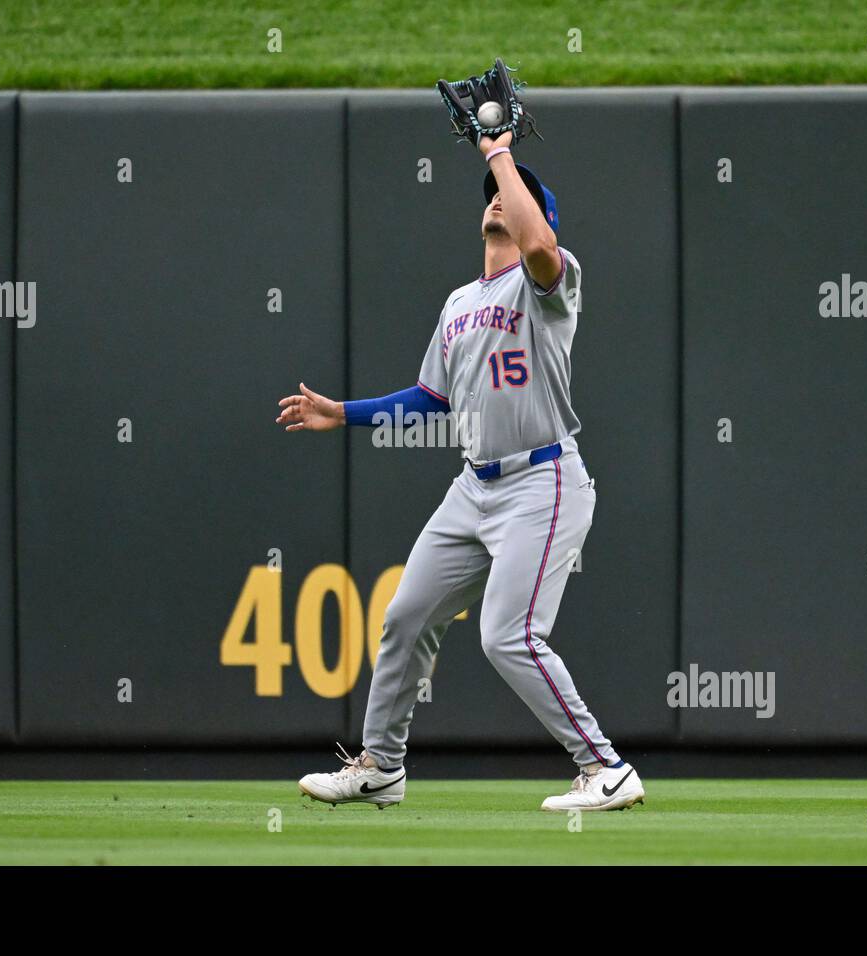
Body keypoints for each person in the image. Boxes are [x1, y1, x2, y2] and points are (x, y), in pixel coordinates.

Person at [275, 129, 643, 812]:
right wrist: (343, 412)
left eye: (520, 198)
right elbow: (429, 401)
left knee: (507, 636)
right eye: (498, 196)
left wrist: (498, 154)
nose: (502, 201)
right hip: (474, 487)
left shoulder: (549, 282)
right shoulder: (457, 304)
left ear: (544, 216)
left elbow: (537, 247)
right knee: (405, 617)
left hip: (544, 479)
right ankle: (381, 766)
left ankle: (606, 768)